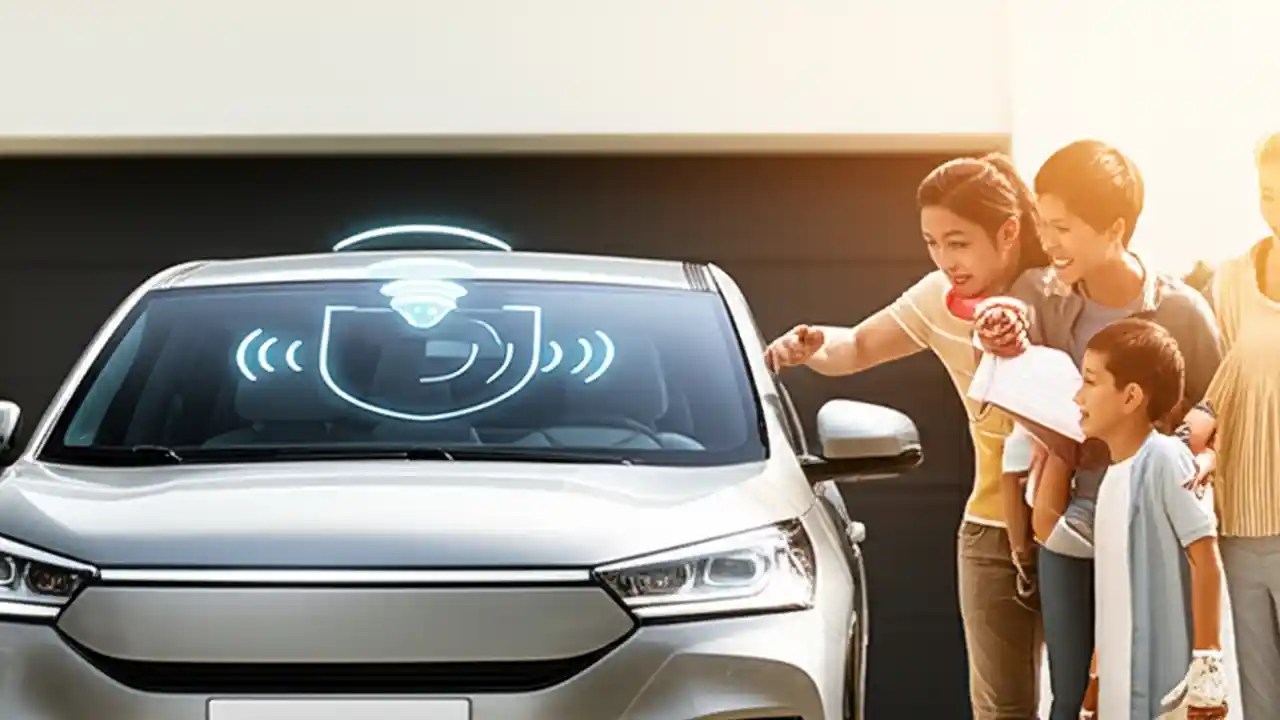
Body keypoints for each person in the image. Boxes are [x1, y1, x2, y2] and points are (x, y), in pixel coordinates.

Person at [766, 152, 1048, 720]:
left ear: (1009, 232)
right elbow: (857, 346)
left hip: (1072, 526)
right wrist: (810, 345)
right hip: (990, 531)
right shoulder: (934, 299)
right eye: (932, 243)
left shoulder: (1055, 295)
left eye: (958, 242)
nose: (945, 259)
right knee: (1000, 710)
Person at [975, 140, 1224, 720]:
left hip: (1151, 525)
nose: (1047, 241)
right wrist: (995, 332)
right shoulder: (1036, 295)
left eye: (1061, 227)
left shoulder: (1182, 312)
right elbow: (998, 335)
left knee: (1150, 682)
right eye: (1042, 224)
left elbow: (1218, 404)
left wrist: (1201, 450)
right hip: (1070, 515)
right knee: (1071, 693)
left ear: (1115, 229)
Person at [1068, 319, 1229, 720]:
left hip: (1165, 690)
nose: (1077, 396)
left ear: (1131, 397)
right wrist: (1095, 686)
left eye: (1090, 381)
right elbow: (1112, 593)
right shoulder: (1111, 478)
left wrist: (1207, 667)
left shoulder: (1164, 459)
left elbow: (1205, 558)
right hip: (1120, 693)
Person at [1202, 130, 1280, 718]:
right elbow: (1212, 394)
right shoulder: (1229, 282)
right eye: (1270, 195)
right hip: (1243, 525)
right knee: (1261, 700)